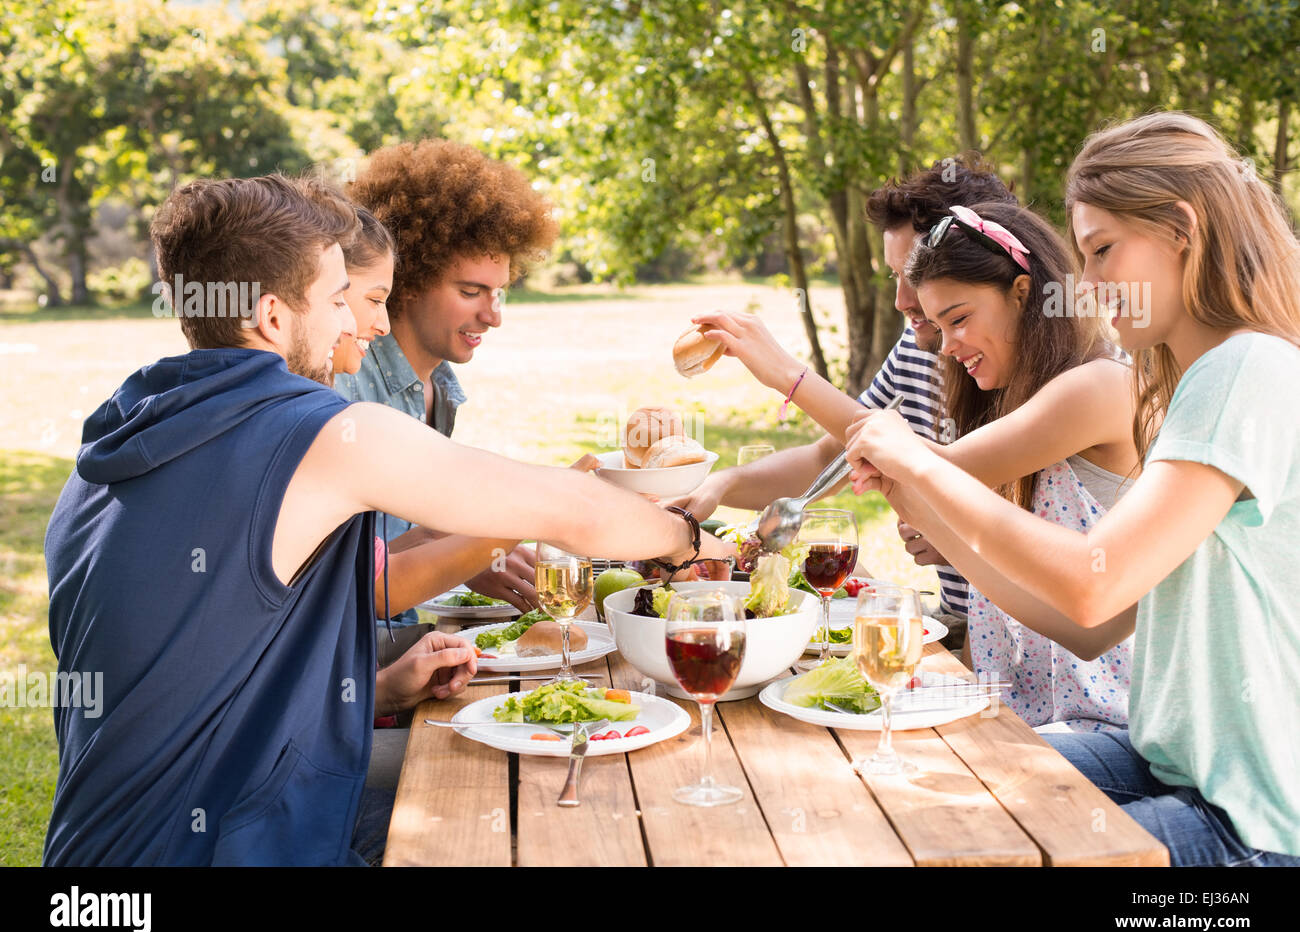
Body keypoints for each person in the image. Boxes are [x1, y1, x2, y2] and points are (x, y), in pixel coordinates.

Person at [43, 173, 729, 866]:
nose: (353, 325)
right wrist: (688, 543)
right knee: (537, 816)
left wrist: (380, 689)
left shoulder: (117, 444)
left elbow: (214, 671)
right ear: (273, 317)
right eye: (337, 300)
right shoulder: (313, 433)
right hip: (207, 852)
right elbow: (572, 509)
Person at [844, 112, 1300, 865]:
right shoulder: (1196, 382)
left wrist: (923, 466)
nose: (1086, 284)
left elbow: (1093, 585)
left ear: (1181, 229)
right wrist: (919, 496)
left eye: (1103, 250)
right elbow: (1095, 626)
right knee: (919, 789)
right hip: (1166, 764)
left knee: (956, 843)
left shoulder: (1243, 370)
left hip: (1249, 820)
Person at [671, 154, 1016, 623]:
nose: (901, 300)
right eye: (895, 275)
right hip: (962, 624)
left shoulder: (1036, 371)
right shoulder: (915, 350)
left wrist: (958, 536)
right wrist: (721, 484)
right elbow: (828, 459)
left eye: (916, 276)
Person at [897, 200, 1138, 730]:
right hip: (1023, 711)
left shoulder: (1097, 386)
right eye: (938, 326)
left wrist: (785, 376)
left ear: (1023, 293)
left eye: (959, 319)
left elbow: (931, 472)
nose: (947, 346)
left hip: (1103, 719)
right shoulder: (1018, 395)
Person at [336, 140, 559, 617]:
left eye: (498, 292)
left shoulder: (440, 389)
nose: (493, 316)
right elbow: (331, 580)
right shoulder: (345, 389)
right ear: (408, 280)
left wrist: (463, 551)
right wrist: (466, 552)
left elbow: (396, 543)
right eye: (471, 291)